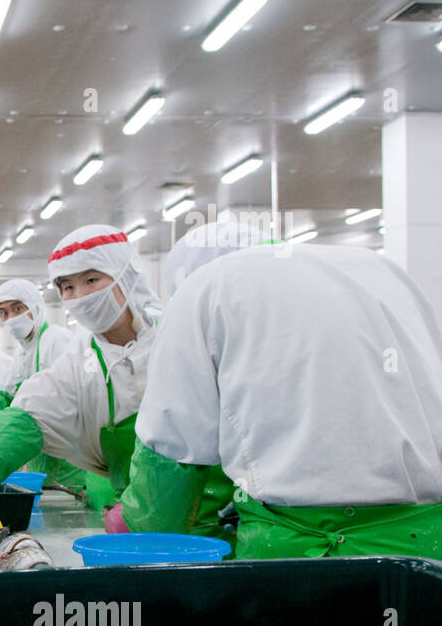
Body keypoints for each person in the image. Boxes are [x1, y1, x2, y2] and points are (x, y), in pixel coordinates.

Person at [120, 219, 442, 558]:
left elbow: (174, 446)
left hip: (296, 557)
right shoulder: (382, 270)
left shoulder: (206, 286)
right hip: (424, 549)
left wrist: (138, 527)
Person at [0, 225, 163, 506]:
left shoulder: (173, 338)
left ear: (125, 274)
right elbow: (24, 417)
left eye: (92, 280)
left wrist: (139, 511)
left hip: (202, 521)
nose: (80, 295)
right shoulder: (81, 354)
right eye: (68, 287)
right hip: (114, 497)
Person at [0, 277, 87, 495]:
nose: (11, 318)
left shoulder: (57, 340)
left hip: (69, 461)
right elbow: (6, 397)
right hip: (42, 461)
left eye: (17, 308)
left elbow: (66, 402)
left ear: (34, 306)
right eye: (4, 313)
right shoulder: (23, 352)